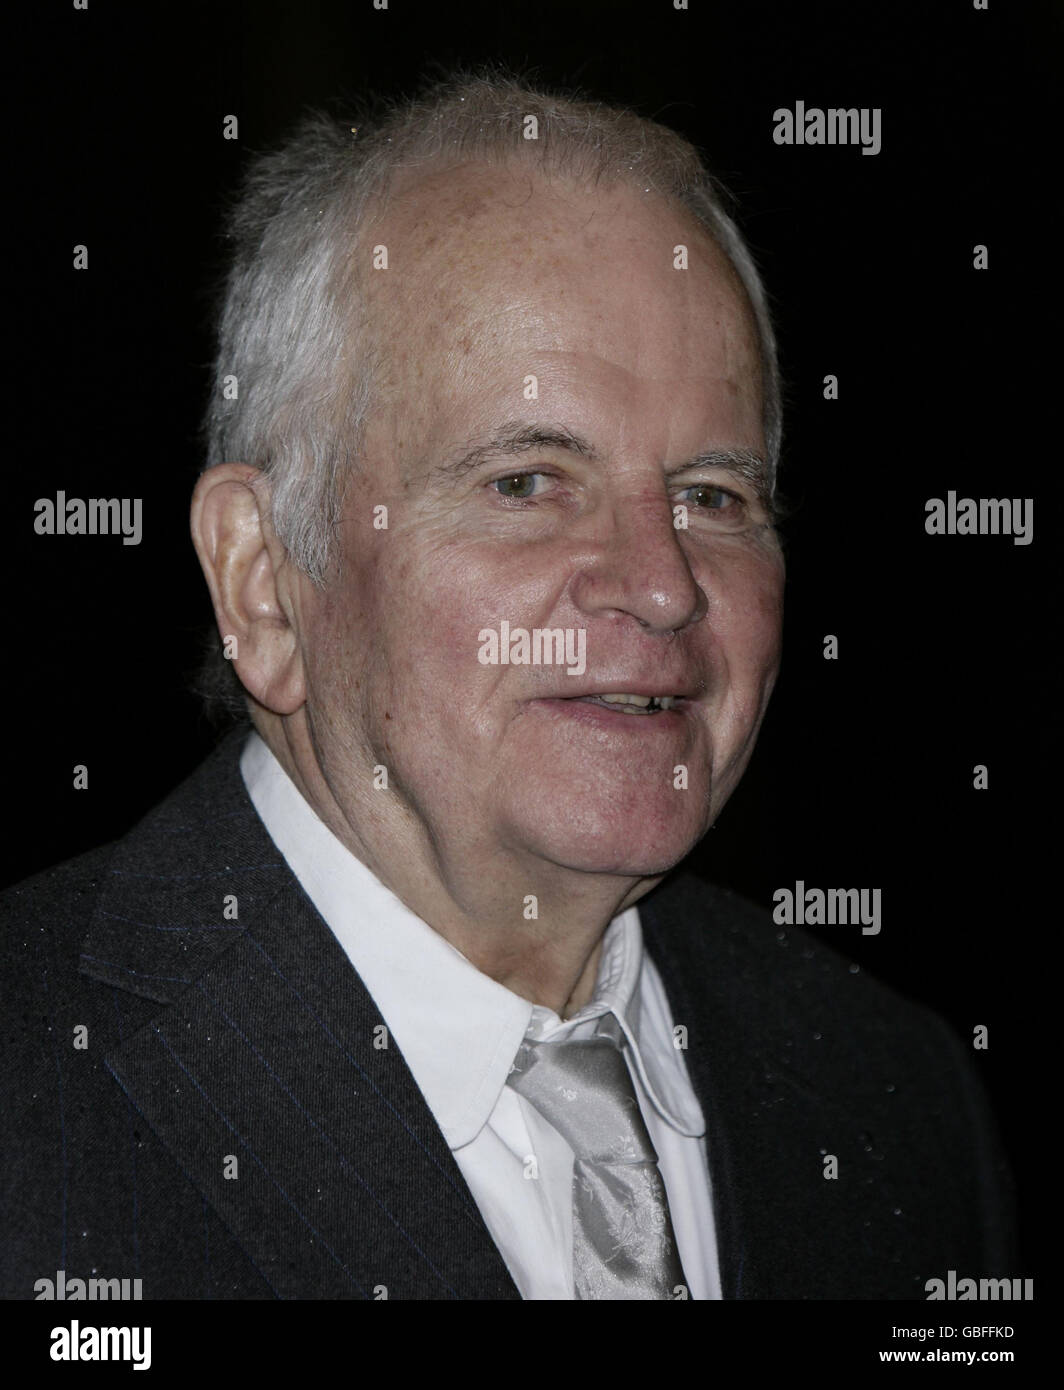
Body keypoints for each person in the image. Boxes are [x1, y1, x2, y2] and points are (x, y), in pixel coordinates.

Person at [0, 72, 1014, 1300]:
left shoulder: (893, 1101)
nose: (661, 588)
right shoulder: (32, 1096)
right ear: (266, 581)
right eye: (526, 482)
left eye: (711, 496)